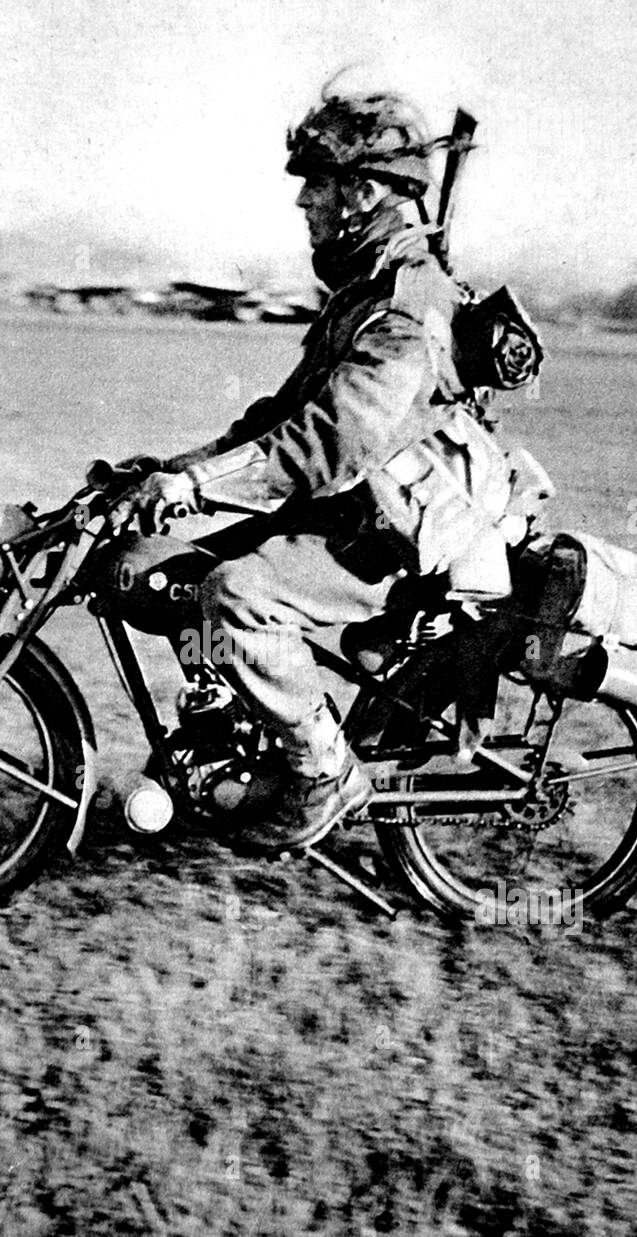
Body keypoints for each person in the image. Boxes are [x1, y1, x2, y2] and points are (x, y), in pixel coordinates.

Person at [112, 83, 533, 850]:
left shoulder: (405, 306)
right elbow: (281, 417)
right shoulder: (360, 293)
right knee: (160, 570)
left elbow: (328, 442)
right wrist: (170, 472)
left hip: (396, 532)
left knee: (237, 594)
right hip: (351, 509)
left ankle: (322, 771)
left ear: (365, 189)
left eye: (317, 183)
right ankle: (229, 744)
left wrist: (195, 486)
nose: (304, 202)